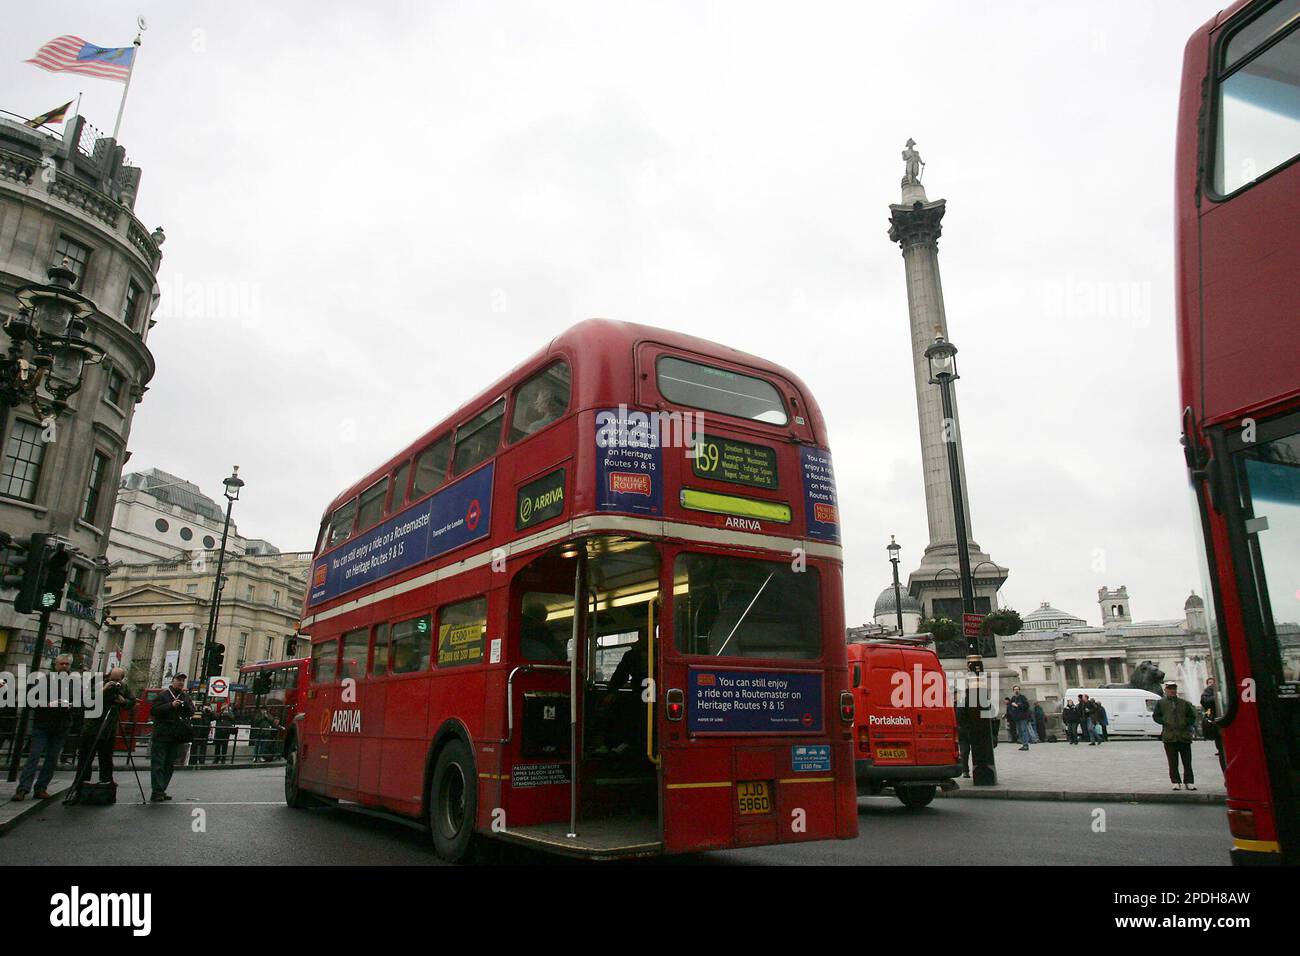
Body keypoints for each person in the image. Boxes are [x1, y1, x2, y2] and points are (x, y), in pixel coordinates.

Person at [12, 655, 76, 801]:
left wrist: (71, 706)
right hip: (42, 725)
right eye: (62, 664)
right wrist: (48, 704)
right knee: (33, 758)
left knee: (52, 760)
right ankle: (23, 788)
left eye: (67, 664)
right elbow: (30, 700)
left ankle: (41, 788)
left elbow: (80, 703)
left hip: (61, 726)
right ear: (56, 665)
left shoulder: (73, 684)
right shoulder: (43, 681)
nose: (64, 666)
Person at [75, 667, 135, 788]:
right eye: (112, 679)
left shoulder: (123, 687)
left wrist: (123, 702)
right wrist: (103, 689)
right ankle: (80, 783)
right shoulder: (97, 682)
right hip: (92, 727)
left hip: (109, 728)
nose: (114, 682)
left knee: (106, 758)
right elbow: (86, 699)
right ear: (108, 675)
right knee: (85, 758)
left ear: (122, 679)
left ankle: (107, 782)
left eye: (118, 680)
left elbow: (132, 702)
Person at [599, 636, 648, 756]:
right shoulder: (656, 653)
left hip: (641, 693)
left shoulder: (632, 654)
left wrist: (612, 691)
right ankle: (622, 743)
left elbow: (620, 675)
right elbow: (620, 675)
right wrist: (612, 691)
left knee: (628, 710)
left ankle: (621, 742)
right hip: (649, 693)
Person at [149, 673, 194, 801]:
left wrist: (184, 706)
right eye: (178, 680)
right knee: (158, 763)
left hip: (176, 736)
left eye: (183, 681)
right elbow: (154, 711)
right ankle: (156, 791)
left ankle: (162, 789)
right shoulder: (163, 695)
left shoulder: (185, 697)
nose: (181, 683)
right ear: (173, 681)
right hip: (162, 734)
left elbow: (191, 711)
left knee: (169, 764)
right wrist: (171, 705)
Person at [1153, 680, 1198, 790]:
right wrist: (1165, 721)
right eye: (1170, 689)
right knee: (1173, 762)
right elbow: (1156, 716)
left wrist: (1185, 723)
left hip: (1184, 736)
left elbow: (1192, 717)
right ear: (1166, 690)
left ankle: (1189, 781)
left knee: (1187, 761)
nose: (1172, 691)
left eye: (1174, 689)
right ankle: (1175, 781)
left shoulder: (1184, 703)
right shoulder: (1161, 703)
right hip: (1169, 736)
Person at [1201, 677, 1226, 772]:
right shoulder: (1211, 690)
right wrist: (1218, 697)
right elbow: (1204, 701)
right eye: (1209, 682)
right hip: (1219, 723)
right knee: (1222, 751)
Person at [1008, 686, 1033, 750]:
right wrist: (1012, 713)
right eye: (1015, 689)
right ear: (1013, 691)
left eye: (1017, 689)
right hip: (1016, 718)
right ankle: (1023, 744)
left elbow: (1026, 706)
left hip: (1023, 717)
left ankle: (1025, 745)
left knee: (1024, 731)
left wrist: (1017, 705)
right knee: (1019, 732)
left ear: (1019, 690)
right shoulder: (1013, 698)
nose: (1016, 690)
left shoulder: (1023, 697)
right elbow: (1009, 706)